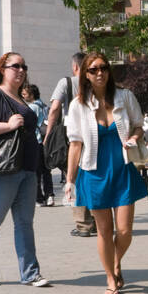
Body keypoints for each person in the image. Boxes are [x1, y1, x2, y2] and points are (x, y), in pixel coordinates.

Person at [63, 52, 147, 294]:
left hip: (122, 170)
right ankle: (110, 278)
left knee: (124, 231)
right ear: (85, 75)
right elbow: (75, 144)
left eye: (103, 68)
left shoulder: (125, 97)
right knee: (103, 230)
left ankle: (115, 261)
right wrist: (69, 179)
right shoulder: (78, 105)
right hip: (94, 173)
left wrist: (134, 137)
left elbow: (139, 125)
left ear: (109, 71)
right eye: (93, 69)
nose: (99, 73)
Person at [0, 52, 50, 288]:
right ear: (3, 69)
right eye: (16, 66)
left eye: (24, 66)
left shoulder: (20, 99)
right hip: (2, 170)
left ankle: (30, 274)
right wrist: (8, 125)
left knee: (25, 223)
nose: (21, 70)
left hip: (27, 169)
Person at [46, 51, 94, 237]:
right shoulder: (95, 84)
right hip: (94, 135)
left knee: (73, 176)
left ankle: (83, 224)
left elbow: (55, 108)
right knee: (91, 176)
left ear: (75, 67)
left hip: (72, 135)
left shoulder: (65, 83)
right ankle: (98, 220)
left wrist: (49, 135)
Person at [22, 83, 54, 207]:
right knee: (46, 171)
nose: (23, 96)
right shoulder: (44, 106)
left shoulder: (32, 107)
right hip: (46, 141)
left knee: (36, 172)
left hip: (36, 141)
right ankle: (50, 195)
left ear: (31, 94)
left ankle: (39, 198)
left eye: (25, 94)